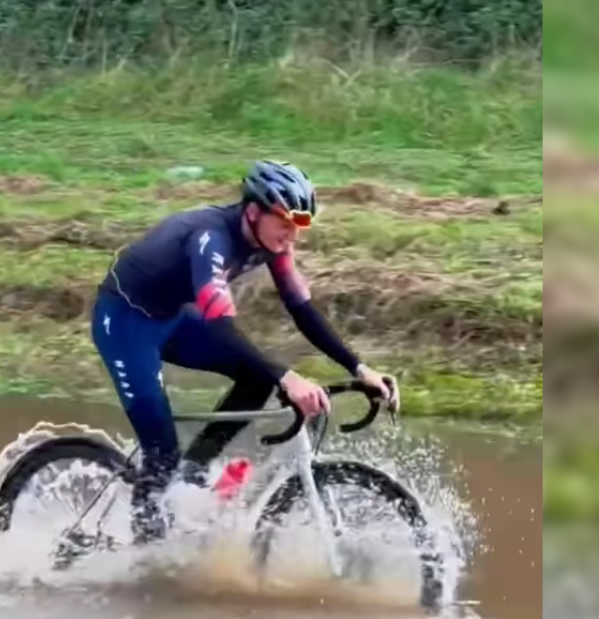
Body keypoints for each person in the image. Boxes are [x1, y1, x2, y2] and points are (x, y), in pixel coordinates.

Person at [90, 160, 399, 544]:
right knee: (161, 449)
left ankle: (193, 474)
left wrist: (359, 368)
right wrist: (287, 378)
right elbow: (221, 327)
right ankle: (144, 552)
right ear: (254, 212)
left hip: (170, 317)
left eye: (299, 228)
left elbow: (302, 310)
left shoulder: (271, 243)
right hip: (124, 322)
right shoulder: (210, 239)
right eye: (285, 224)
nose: (292, 237)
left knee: (258, 375)